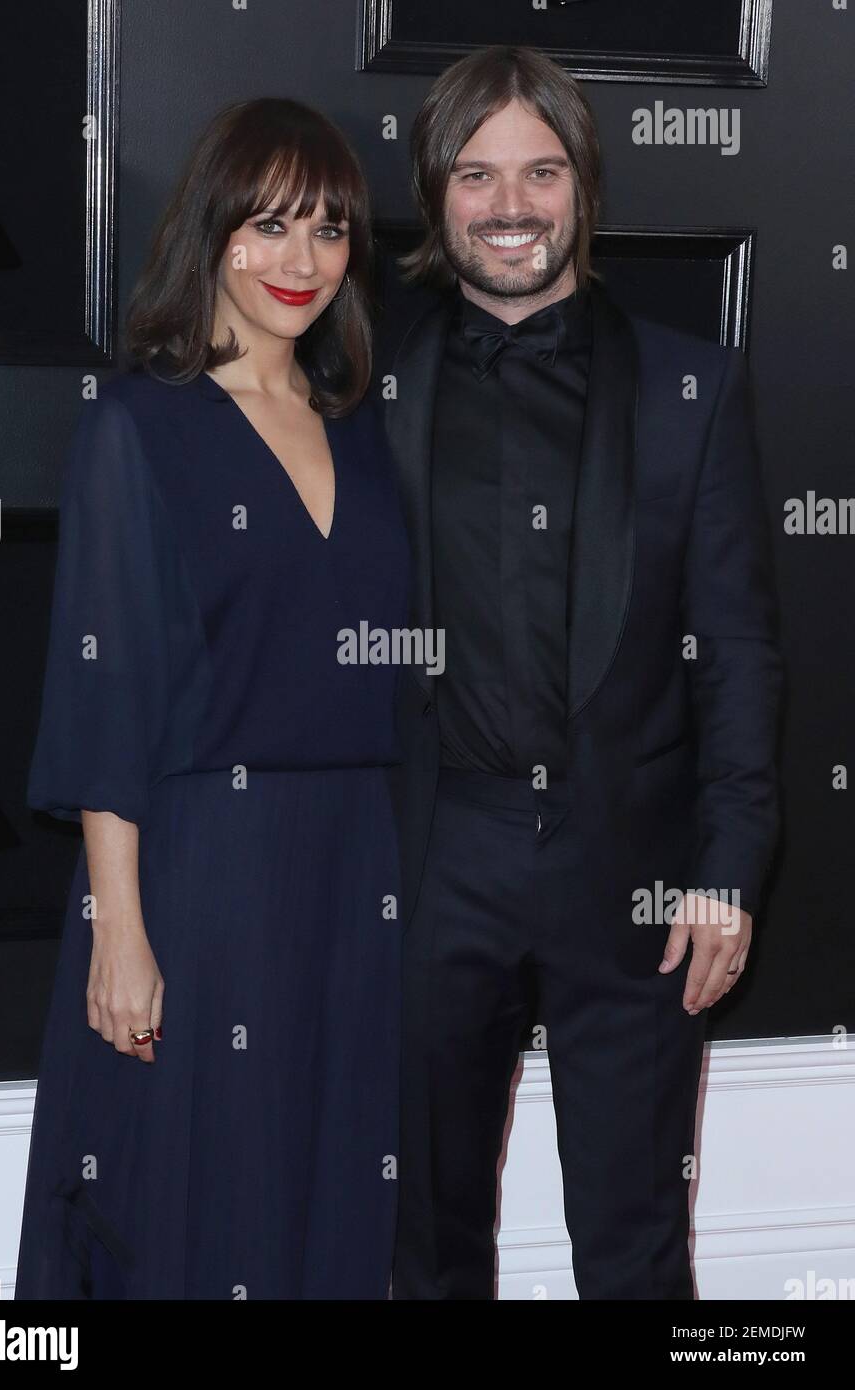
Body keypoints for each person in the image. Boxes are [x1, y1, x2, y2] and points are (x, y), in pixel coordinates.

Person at [375, 46, 783, 1299]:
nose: (511, 204)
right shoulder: (359, 388)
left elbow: (738, 649)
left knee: (637, 1248)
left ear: (584, 187)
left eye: (541, 171)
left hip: (635, 874)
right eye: (477, 173)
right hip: (431, 860)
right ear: (436, 193)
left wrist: (728, 870)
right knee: (422, 1241)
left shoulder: (690, 389)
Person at [14, 97, 410, 1300]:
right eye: (269, 224)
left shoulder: (365, 429)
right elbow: (106, 693)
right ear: (212, 230)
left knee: (326, 1193)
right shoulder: (139, 423)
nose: (302, 259)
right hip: (201, 875)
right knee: (197, 1198)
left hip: (354, 871)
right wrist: (119, 930)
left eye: (329, 229)